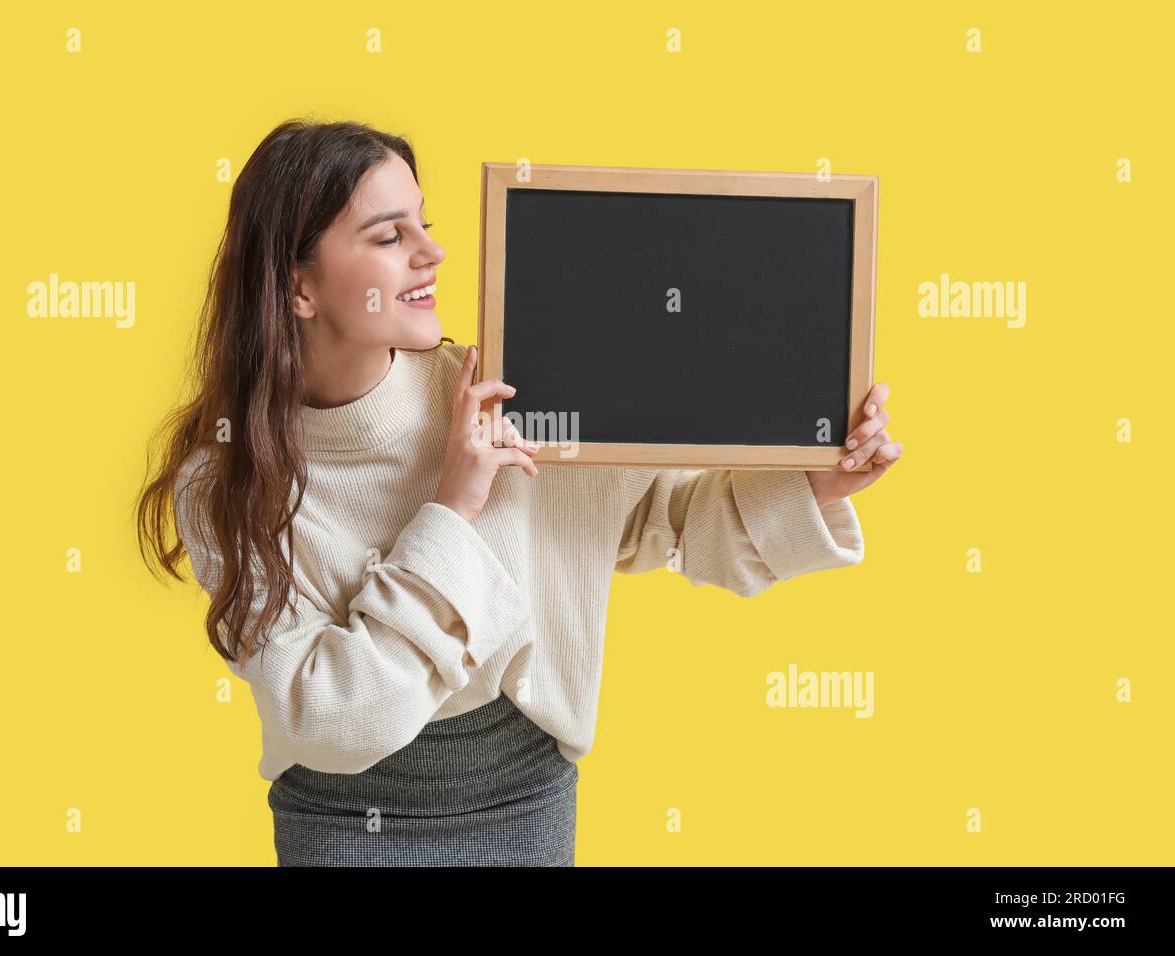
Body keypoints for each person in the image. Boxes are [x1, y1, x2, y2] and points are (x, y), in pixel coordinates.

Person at [135, 118, 903, 867]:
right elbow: (330, 720)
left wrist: (816, 483)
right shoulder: (225, 481)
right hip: (341, 821)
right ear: (298, 287)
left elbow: (671, 524)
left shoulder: (508, 394)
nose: (432, 254)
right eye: (388, 236)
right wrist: (451, 507)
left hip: (521, 803)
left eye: (425, 226)